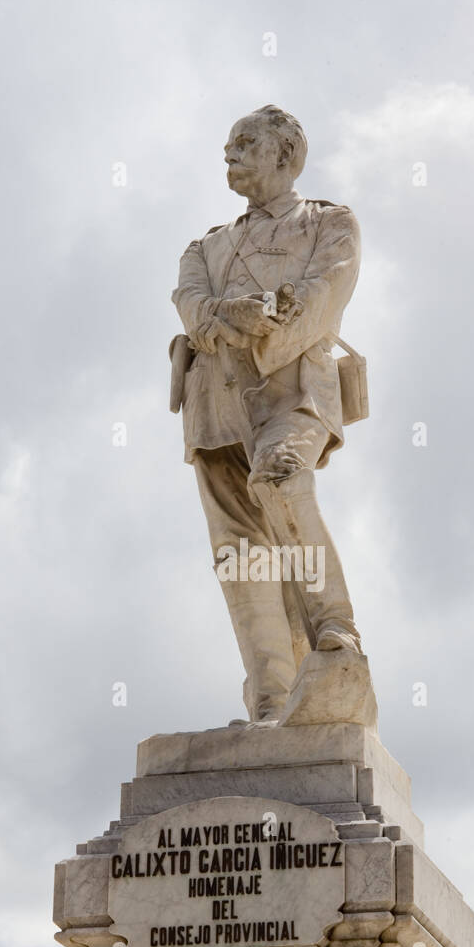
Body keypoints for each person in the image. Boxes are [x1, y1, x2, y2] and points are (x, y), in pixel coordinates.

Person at [172, 105, 366, 724]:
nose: (229, 152)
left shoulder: (329, 224)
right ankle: (271, 698)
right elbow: (192, 305)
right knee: (240, 552)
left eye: (245, 143)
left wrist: (262, 330)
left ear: (286, 156)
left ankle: (335, 630)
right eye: (228, 144)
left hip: (293, 392)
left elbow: (323, 296)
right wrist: (231, 317)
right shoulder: (205, 248)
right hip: (213, 406)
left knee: (279, 478)